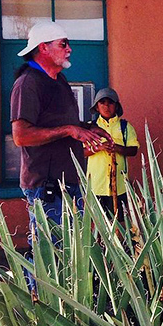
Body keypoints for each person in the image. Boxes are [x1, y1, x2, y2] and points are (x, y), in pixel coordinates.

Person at [11, 21, 113, 238]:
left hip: (71, 182)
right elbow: (21, 136)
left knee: (75, 249)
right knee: (50, 254)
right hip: (45, 186)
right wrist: (68, 130)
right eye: (63, 44)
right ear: (43, 47)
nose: (69, 49)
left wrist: (91, 129)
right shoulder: (27, 83)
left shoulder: (59, 80)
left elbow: (66, 123)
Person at [86, 87, 139, 218]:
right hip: (95, 185)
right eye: (102, 103)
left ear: (116, 106)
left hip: (120, 185)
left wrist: (117, 148)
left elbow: (133, 150)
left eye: (110, 102)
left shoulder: (125, 127)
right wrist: (98, 148)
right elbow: (80, 152)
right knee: (96, 223)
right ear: (97, 107)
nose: (106, 106)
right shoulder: (90, 127)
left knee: (119, 220)